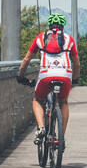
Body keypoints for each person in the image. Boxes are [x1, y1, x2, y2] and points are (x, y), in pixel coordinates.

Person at [17, 12, 78, 145]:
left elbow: (27, 59)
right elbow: (77, 63)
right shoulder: (69, 39)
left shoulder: (41, 38)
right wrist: (75, 78)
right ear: (62, 26)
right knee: (63, 102)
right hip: (65, 74)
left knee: (37, 99)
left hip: (46, 75)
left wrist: (21, 75)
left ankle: (41, 128)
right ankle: (60, 138)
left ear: (50, 25)